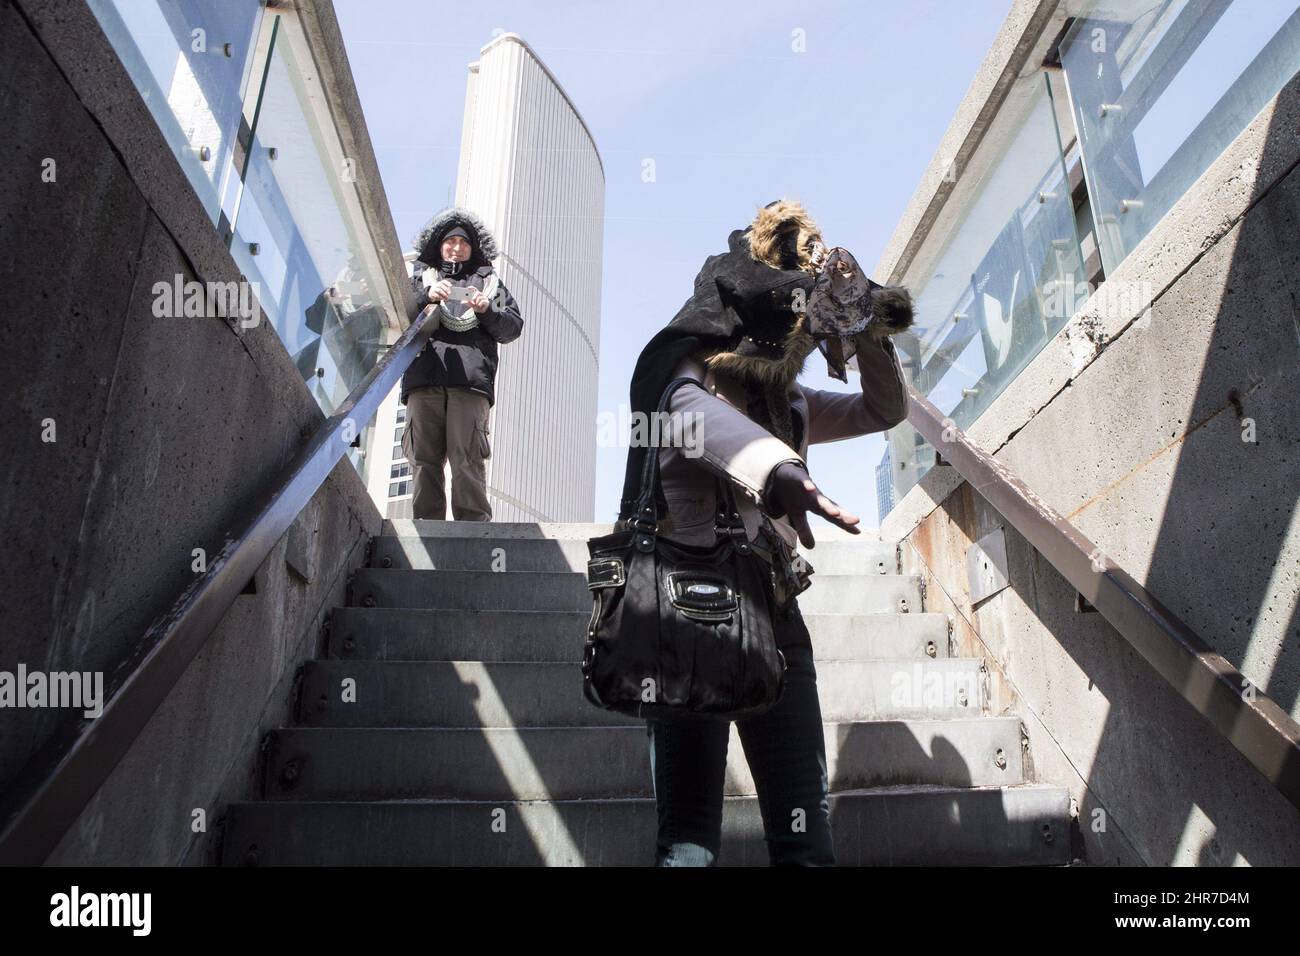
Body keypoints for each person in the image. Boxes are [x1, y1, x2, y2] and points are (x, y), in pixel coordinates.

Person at [616, 198, 914, 866]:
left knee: (805, 833)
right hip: (690, 615)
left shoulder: (797, 403)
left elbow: (881, 408)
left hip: (777, 614)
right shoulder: (689, 374)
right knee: (689, 841)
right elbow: (685, 416)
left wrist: (866, 327)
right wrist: (778, 468)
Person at [401, 208, 523, 521]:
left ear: (473, 248)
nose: (457, 247)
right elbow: (397, 311)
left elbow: (512, 328)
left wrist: (486, 310)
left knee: (467, 457)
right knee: (423, 458)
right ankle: (426, 526)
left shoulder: (490, 283)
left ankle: (474, 528)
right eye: (450, 241)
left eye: (463, 242)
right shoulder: (419, 279)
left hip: (469, 383)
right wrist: (427, 296)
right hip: (423, 380)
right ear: (439, 245)